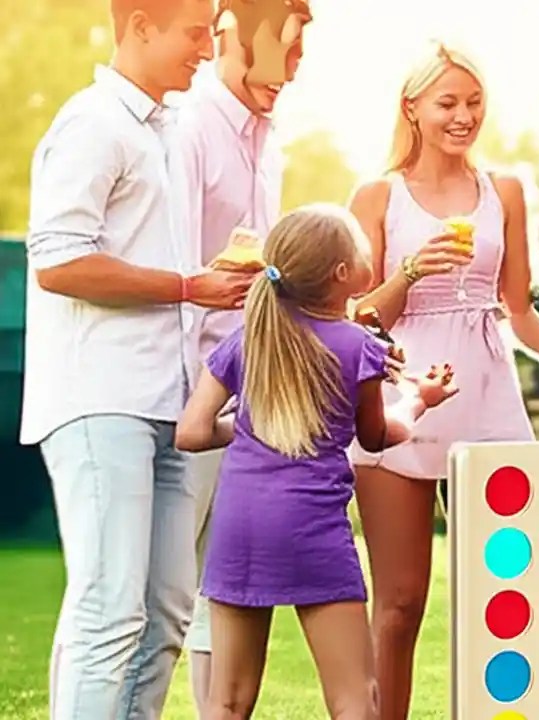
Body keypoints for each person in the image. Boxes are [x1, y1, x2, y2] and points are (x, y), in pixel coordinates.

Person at [20, 1, 260, 717]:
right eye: (194, 34)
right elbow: (58, 262)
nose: (203, 49)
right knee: (109, 612)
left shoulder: (164, 131)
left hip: (170, 404)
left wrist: (208, 281)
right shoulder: (93, 123)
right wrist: (189, 286)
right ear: (141, 26)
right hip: (101, 402)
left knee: (164, 619)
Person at [345, 41, 539, 719]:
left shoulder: (503, 192)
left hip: (488, 403)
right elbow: (358, 316)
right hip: (400, 403)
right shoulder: (377, 196)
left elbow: (519, 308)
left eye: (474, 103)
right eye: (447, 103)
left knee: (508, 599)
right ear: (413, 110)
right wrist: (412, 270)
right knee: (398, 605)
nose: (463, 116)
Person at [175, 204, 457, 719]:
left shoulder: (249, 340)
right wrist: (421, 401)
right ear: (343, 273)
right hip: (312, 531)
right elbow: (374, 437)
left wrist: (254, 425)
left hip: (241, 528)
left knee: (228, 701)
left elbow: (190, 433)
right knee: (355, 699)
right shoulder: (358, 347)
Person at [166, 7, 309, 715]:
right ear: (236, 35)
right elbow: (173, 269)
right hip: (183, 392)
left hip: (242, 392)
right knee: (148, 591)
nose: (298, 59)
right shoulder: (189, 129)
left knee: (219, 590)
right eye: (290, 39)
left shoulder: (268, 142)